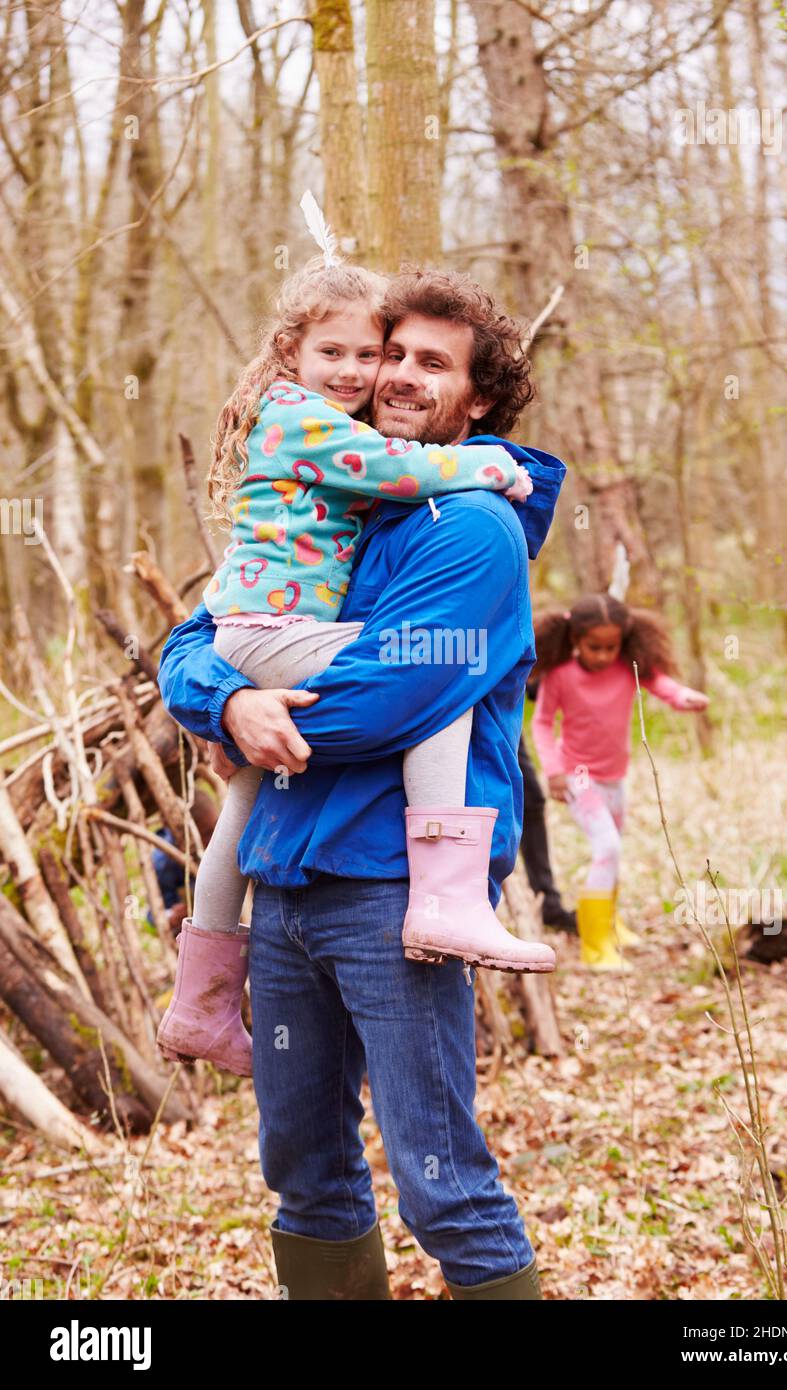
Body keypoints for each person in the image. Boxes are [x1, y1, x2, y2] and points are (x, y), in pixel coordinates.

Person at [158, 267, 566, 1300]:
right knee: (303, 1175)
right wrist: (222, 701)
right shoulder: (337, 500)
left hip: (391, 892)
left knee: (442, 1184)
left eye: (432, 363)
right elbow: (197, 642)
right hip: (285, 884)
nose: (396, 374)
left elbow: (378, 705)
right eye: (391, 353)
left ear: (478, 401)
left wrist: (247, 720)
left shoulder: (467, 525)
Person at [531, 593, 709, 972]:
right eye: (594, 647)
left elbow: (662, 684)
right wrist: (554, 772)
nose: (602, 655)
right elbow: (543, 723)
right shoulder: (561, 675)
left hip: (616, 778)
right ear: (575, 640)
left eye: (611, 647)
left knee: (615, 849)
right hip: (579, 777)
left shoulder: (629, 667)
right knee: (606, 847)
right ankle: (594, 946)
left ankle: (611, 923)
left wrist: (684, 697)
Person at [517, 680, 574, 932]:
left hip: (500, 717)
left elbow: (535, 686)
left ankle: (547, 902)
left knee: (530, 800)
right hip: (452, 710)